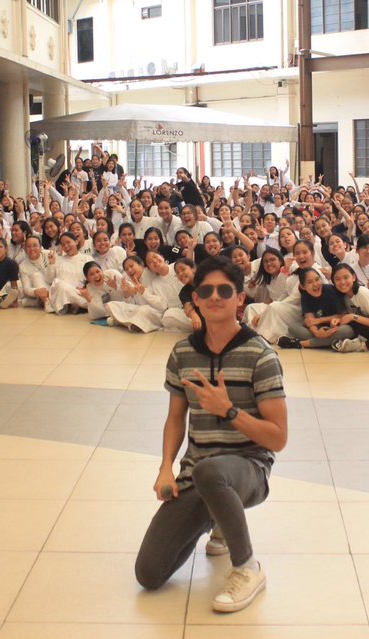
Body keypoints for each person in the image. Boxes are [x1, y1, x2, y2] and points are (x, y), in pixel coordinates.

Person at [135, 255, 287, 613]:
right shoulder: (183, 352)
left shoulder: (259, 355)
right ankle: (215, 515)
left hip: (249, 468)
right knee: (149, 574)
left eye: (225, 290)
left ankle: (248, 568)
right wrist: (165, 468)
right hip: (198, 471)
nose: (215, 296)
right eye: (206, 291)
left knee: (212, 472)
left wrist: (229, 411)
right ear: (196, 300)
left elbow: (277, 438)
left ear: (240, 299)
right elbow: (175, 418)